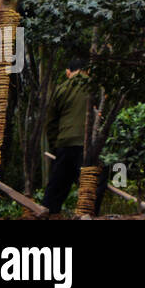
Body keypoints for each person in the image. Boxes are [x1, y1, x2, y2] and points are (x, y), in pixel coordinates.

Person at [42, 55, 93, 214]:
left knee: (58, 183)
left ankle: (48, 213)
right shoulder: (94, 87)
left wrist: (55, 146)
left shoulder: (60, 89)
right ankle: (90, 213)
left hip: (64, 142)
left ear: (67, 72)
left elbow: (51, 123)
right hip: (87, 143)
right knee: (91, 184)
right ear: (88, 71)